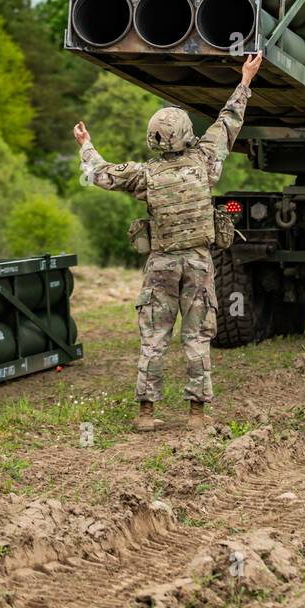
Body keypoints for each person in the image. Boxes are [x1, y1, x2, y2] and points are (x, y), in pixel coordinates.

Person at [73, 52, 263, 430]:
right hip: (197, 262)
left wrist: (85, 145)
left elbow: (100, 174)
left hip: (160, 265)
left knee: (154, 338)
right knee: (197, 337)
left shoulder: (144, 176)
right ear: (185, 133)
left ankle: (146, 414)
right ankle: (196, 414)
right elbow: (229, 122)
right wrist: (245, 79)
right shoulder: (205, 161)